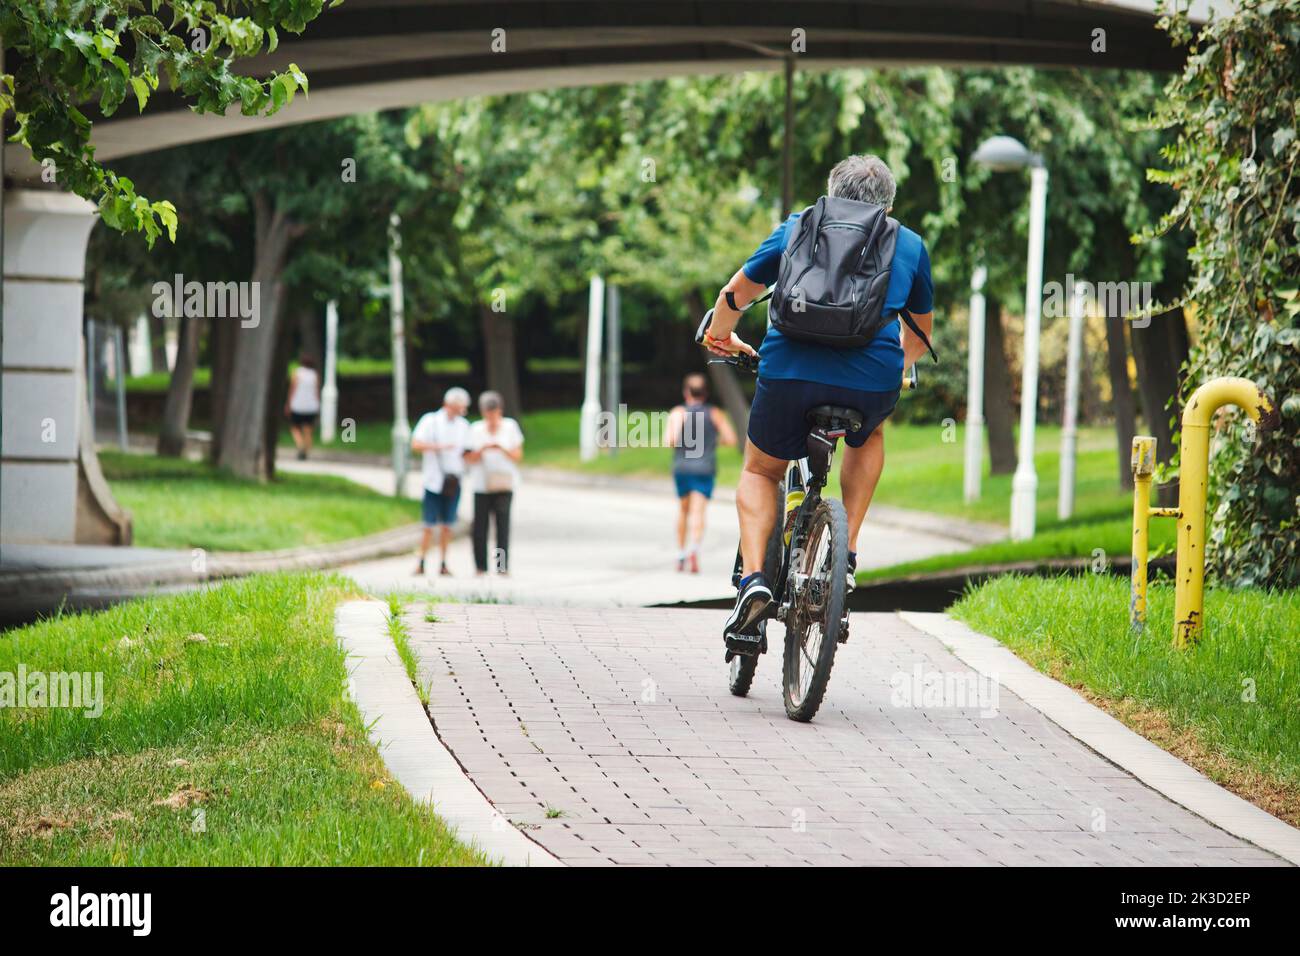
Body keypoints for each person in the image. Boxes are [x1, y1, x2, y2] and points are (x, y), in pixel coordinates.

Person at [701, 154, 934, 636]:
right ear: (887, 206)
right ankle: (844, 556)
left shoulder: (797, 226)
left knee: (761, 470)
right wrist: (900, 370)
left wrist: (721, 333)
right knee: (867, 436)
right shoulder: (908, 245)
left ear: (831, 192)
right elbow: (921, 332)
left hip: (789, 371)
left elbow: (738, 291)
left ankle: (753, 582)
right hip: (870, 380)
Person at [666, 373, 736, 573]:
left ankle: (680, 552)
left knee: (683, 510)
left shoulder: (678, 413)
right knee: (699, 511)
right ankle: (694, 548)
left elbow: (670, 440)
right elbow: (730, 439)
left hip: (682, 467)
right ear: (705, 393)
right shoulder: (715, 414)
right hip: (705, 468)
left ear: (686, 392)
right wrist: (713, 442)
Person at [411, 387, 471, 577]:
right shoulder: (431, 421)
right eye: (456, 407)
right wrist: (440, 447)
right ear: (448, 405)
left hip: (454, 481)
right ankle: (421, 562)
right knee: (428, 525)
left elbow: (468, 450)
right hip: (433, 480)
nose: (459, 411)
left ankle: (444, 563)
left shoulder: (464, 425)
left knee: (448, 525)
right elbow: (416, 444)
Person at [464, 390, 524, 576]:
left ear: (500, 411)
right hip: (481, 484)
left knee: (502, 526)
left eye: (494, 413)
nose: (491, 418)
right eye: (487, 413)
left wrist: (501, 448)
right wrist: (482, 450)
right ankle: (480, 566)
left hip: (504, 483)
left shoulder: (510, 427)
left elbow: (518, 455)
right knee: (480, 527)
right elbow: (468, 457)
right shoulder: (475, 429)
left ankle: (501, 566)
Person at [285, 354, 321, 460]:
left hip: (298, 405)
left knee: (295, 427)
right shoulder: (314, 375)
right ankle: (306, 449)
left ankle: (300, 445)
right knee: (308, 429)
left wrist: (288, 403)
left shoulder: (297, 373)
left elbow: (292, 389)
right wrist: (318, 404)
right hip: (311, 406)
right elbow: (316, 391)